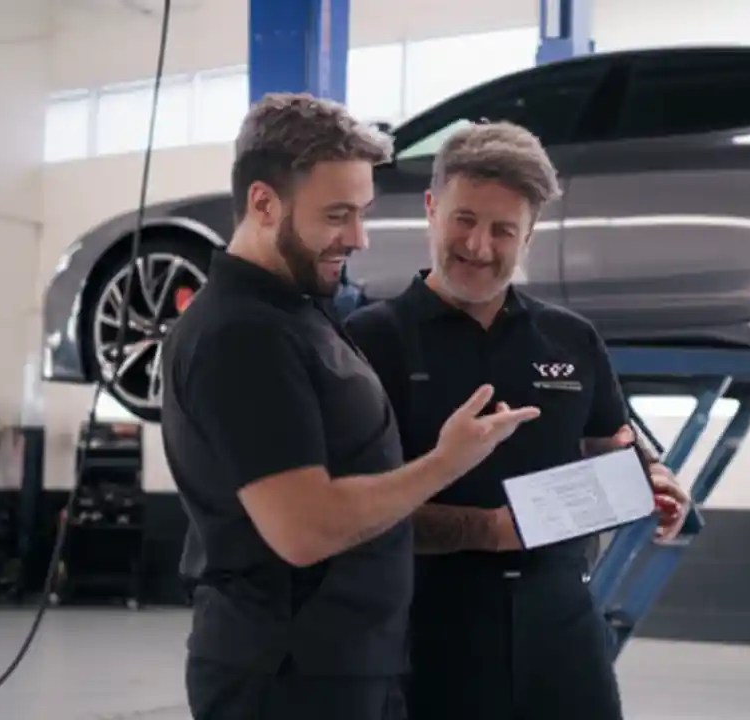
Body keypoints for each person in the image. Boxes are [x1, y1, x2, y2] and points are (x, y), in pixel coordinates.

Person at [159, 94, 541, 720]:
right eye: (338, 215)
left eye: (362, 212)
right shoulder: (242, 336)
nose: (358, 237)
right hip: (287, 680)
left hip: (341, 666)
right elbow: (305, 529)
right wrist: (447, 462)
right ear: (263, 203)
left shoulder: (297, 311)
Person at [343, 121, 692, 720]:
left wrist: (657, 482)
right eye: (464, 220)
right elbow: (349, 513)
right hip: (423, 638)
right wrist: (490, 529)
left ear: (529, 236)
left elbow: (616, 447)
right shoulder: (371, 342)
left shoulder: (572, 339)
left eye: (503, 229)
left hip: (562, 634)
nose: (479, 246)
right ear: (432, 207)